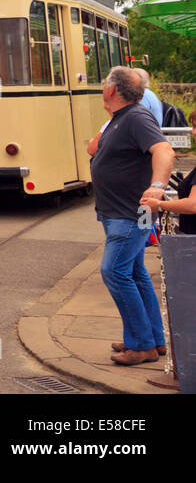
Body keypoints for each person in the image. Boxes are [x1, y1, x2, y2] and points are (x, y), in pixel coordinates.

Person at [90, 66, 174, 366]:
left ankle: (141, 346)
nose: (102, 88)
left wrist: (157, 187)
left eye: (104, 84)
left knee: (114, 271)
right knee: (135, 272)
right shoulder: (122, 118)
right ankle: (152, 339)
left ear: (113, 90)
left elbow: (164, 150)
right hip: (122, 212)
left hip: (130, 214)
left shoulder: (136, 117)